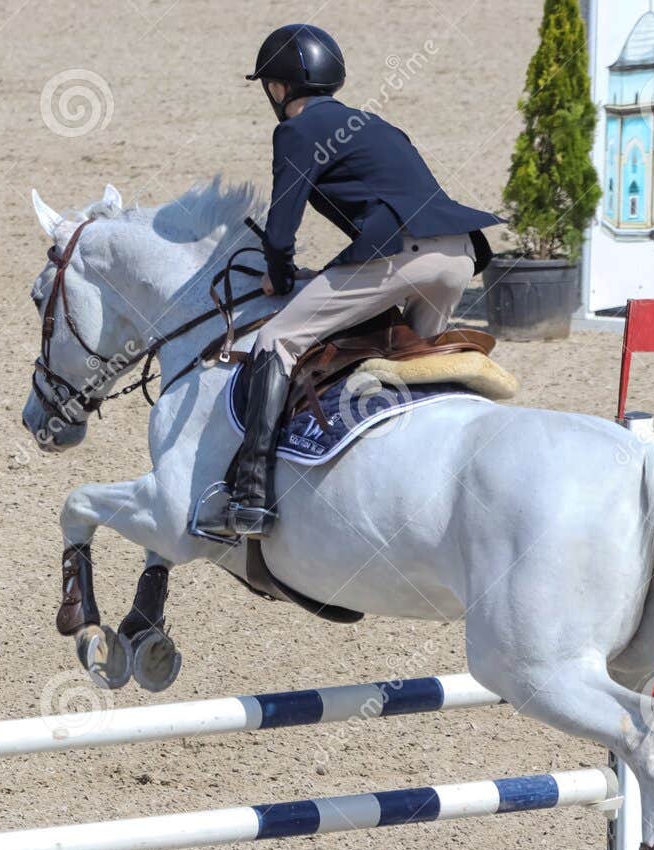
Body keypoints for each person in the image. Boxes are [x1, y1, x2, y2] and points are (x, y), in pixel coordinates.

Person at [195, 23, 504, 541]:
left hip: (400, 253)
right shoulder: (375, 123)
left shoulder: (295, 131)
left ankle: (249, 496)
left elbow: (281, 226)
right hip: (457, 254)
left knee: (278, 339)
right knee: (410, 359)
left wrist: (280, 275)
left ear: (279, 87)